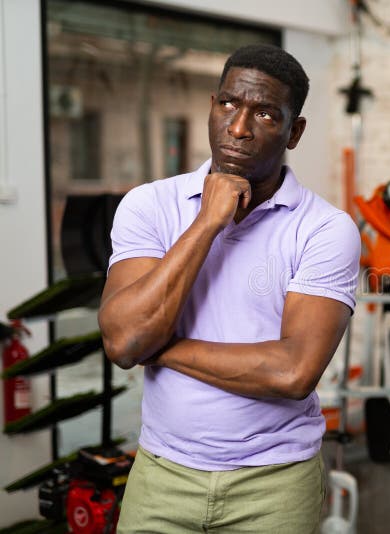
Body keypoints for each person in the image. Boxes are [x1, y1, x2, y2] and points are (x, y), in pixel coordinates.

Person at [98, 43, 361, 533]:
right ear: (212, 107)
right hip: (162, 474)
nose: (238, 128)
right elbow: (124, 342)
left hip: (275, 485)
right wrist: (208, 221)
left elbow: (293, 372)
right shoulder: (149, 206)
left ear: (293, 131)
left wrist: (165, 349)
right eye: (228, 105)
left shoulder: (326, 229)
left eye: (264, 113)